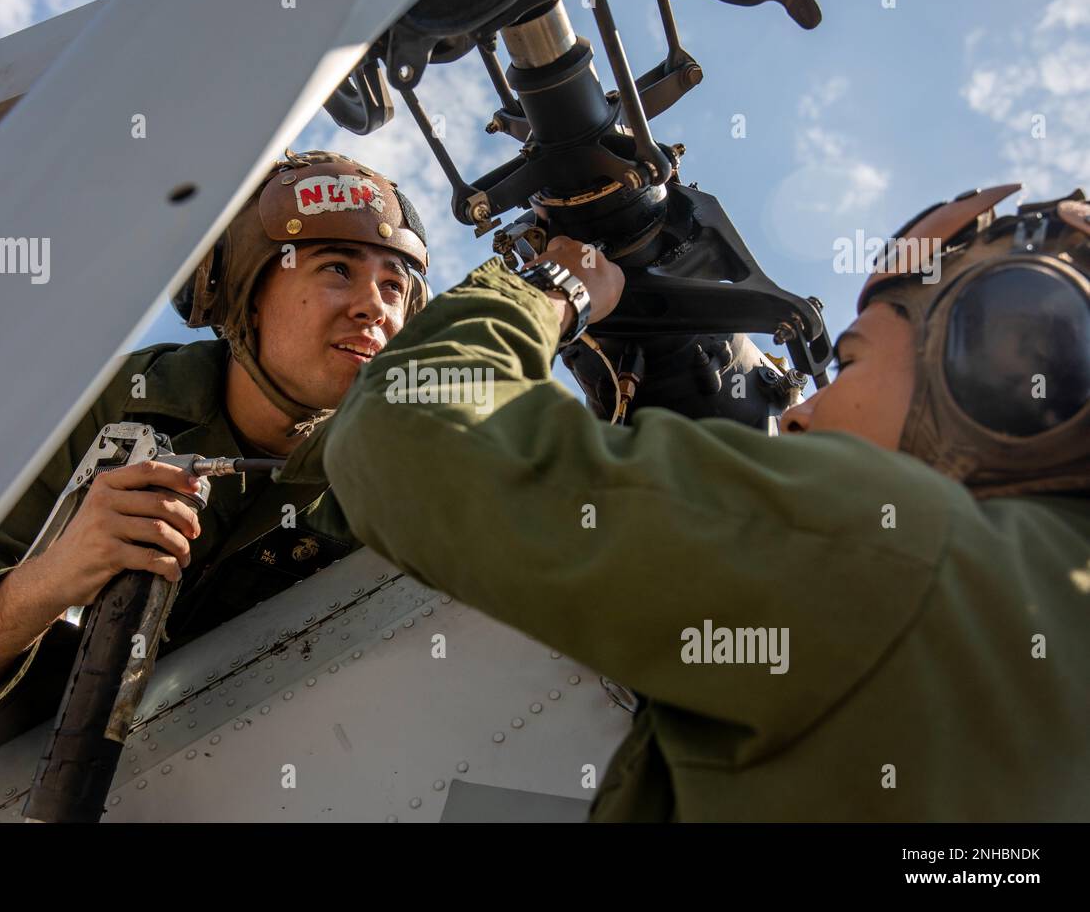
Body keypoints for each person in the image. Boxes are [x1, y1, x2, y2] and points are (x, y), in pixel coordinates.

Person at [276, 183, 1090, 821]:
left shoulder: (905, 558)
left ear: (999, 368)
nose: (800, 411)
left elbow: (408, 429)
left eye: (847, 363)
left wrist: (555, 288)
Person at [0, 149, 430, 822]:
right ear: (246, 288)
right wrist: (53, 580)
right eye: (337, 269)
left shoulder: (381, 496)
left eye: (395, 288)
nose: (373, 308)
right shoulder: (112, 408)